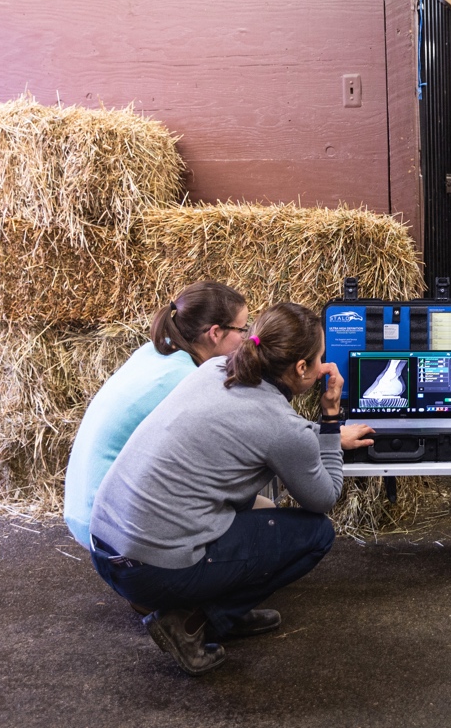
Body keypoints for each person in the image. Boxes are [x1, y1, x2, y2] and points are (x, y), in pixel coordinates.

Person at [88, 303, 374, 675]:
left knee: (253, 506)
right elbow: (325, 497)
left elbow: (262, 430)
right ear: (302, 369)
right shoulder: (283, 428)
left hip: (106, 548)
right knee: (316, 534)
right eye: (319, 359)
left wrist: (319, 437)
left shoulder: (215, 370)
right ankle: (195, 623)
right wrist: (332, 418)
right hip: (151, 571)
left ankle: (220, 610)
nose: (324, 367)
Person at [64, 282, 249, 550]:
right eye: (242, 329)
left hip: (82, 512)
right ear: (215, 333)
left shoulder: (155, 352)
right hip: (109, 526)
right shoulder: (186, 380)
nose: (246, 337)